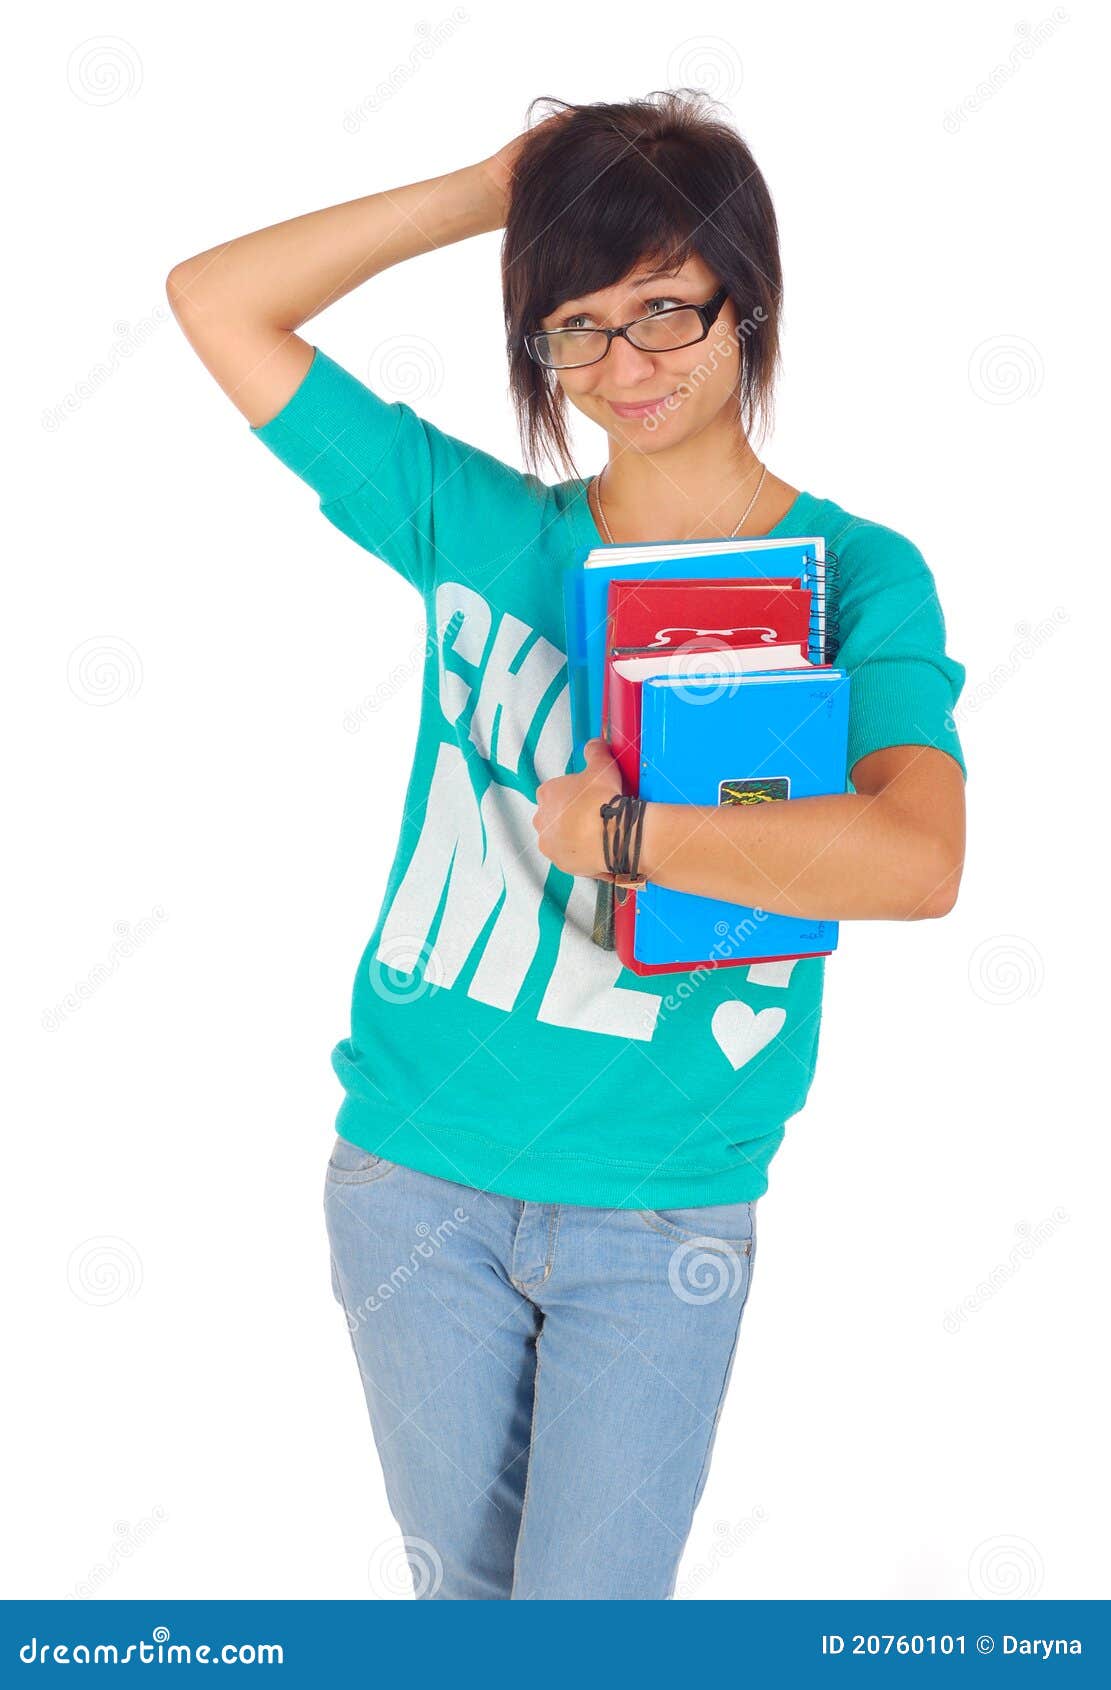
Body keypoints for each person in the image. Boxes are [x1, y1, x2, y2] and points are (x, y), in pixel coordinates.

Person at [166, 89, 966, 1601]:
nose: (626, 364)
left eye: (666, 307)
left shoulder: (855, 576)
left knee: (591, 1633)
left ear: (751, 302)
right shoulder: (485, 530)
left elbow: (919, 859)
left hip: (664, 1192)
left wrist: (628, 832)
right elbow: (217, 300)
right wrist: (492, 195)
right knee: (464, 1626)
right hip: (414, 1177)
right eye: (578, 326)